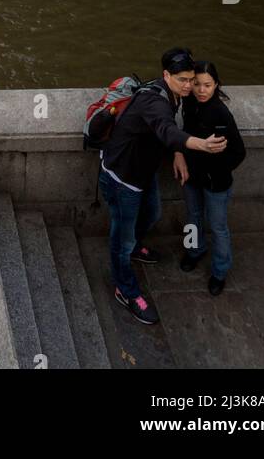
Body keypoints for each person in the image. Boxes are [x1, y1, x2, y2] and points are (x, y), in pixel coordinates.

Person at [99, 47, 228, 325]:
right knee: (121, 240)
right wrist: (200, 145)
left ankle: (133, 247)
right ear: (165, 75)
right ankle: (126, 290)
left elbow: (165, 132)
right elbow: (167, 129)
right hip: (123, 179)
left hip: (143, 174)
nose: (188, 86)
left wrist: (178, 153)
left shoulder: (171, 95)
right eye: (182, 79)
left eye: (191, 80)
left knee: (152, 214)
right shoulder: (155, 102)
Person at [173, 61, 245, 297]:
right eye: (197, 84)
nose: (202, 90)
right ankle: (194, 251)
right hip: (193, 175)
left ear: (216, 85)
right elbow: (185, 134)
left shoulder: (220, 113)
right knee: (193, 217)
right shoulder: (188, 103)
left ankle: (220, 271)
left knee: (218, 227)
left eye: (207, 85)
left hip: (216, 182)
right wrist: (181, 154)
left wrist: (216, 169)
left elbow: (238, 152)